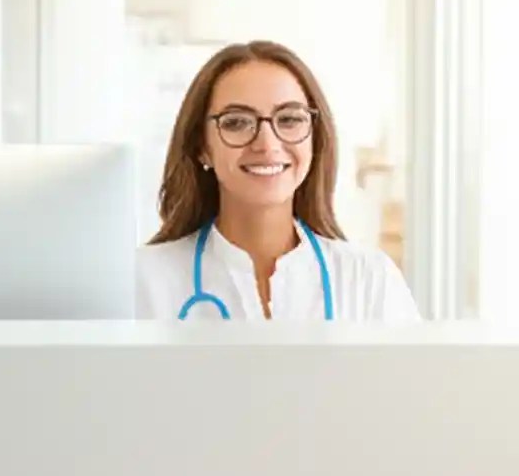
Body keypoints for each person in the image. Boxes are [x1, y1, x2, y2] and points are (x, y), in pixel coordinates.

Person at [135, 40, 421, 322]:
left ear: (315, 139)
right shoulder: (143, 282)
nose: (267, 144)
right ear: (201, 146)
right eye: (236, 122)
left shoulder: (370, 281)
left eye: (288, 119)